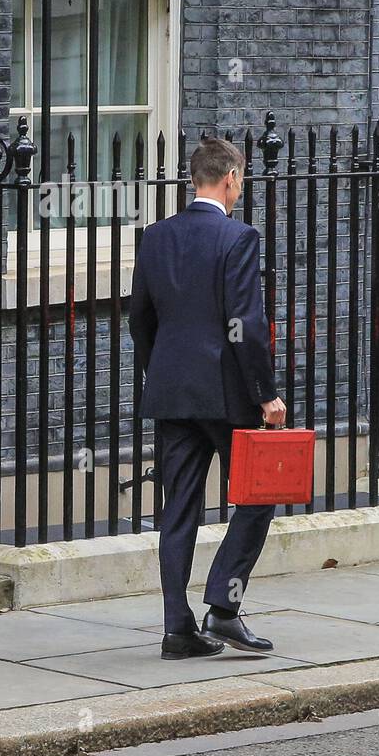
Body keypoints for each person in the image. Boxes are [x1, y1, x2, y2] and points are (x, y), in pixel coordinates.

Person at [129, 137, 286, 659]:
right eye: (241, 181)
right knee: (259, 496)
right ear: (231, 179)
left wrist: (165, 373)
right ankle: (222, 608)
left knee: (178, 510)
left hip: (172, 393)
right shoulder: (237, 237)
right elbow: (245, 322)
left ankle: (178, 630)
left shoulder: (155, 236)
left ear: (194, 179)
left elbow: (140, 320)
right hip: (225, 394)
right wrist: (265, 395)